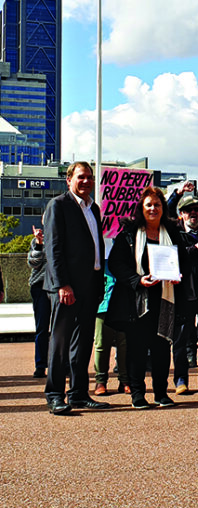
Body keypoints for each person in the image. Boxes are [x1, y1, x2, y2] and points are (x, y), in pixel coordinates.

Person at [107, 186, 189, 409]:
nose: (153, 209)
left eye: (157, 205)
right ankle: (137, 394)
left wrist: (178, 275)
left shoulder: (172, 233)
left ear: (163, 208)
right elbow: (115, 263)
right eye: (149, 205)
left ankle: (161, 393)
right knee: (136, 349)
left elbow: (184, 262)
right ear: (141, 209)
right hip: (136, 301)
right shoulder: (129, 234)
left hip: (165, 299)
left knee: (162, 347)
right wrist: (136, 280)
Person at [42, 161, 109, 415]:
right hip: (66, 288)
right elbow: (53, 248)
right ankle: (55, 395)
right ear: (68, 179)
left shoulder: (95, 209)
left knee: (83, 342)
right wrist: (62, 284)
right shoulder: (58, 206)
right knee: (60, 342)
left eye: (90, 177)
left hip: (90, 286)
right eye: (81, 177)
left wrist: (99, 281)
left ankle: (79, 393)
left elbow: (97, 247)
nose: (86, 181)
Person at [172, 193, 198, 394]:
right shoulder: (173, 233)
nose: (193, 213)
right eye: (188, 210)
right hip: (182, 293)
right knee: (180, 339)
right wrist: (195, 248)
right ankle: (181, 379)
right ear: (181, 214)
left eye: (196, 209)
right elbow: (174, 256)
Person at [27, 225, 49, 378]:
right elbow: (33, 263)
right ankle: (40, 365)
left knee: (62, 329)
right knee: (42, 327)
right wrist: (39, 243)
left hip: (61, 285)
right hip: (40, 286)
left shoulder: (66, 235)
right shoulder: (37, 241)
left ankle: (63, 364)